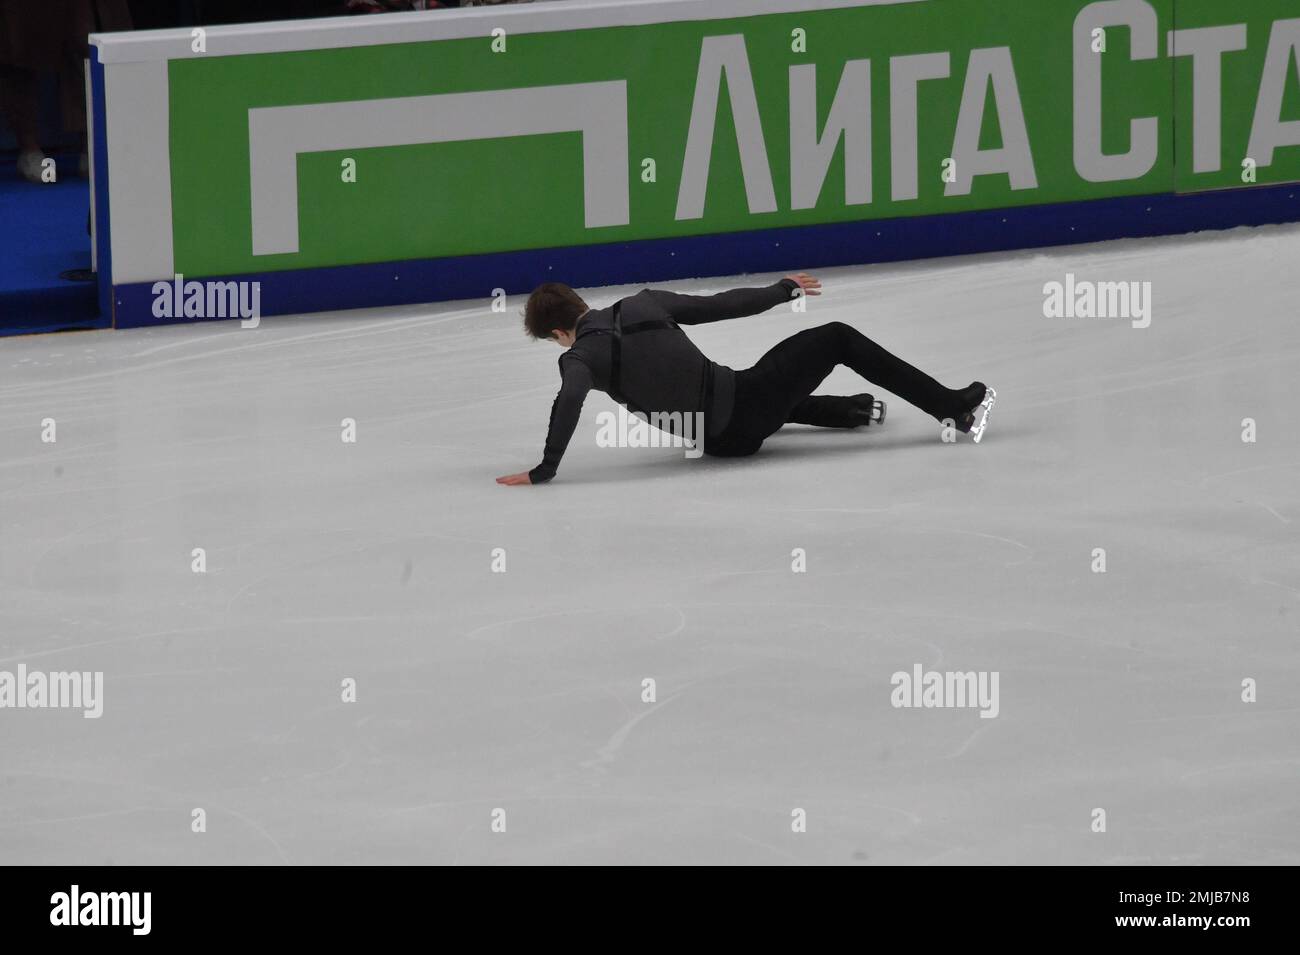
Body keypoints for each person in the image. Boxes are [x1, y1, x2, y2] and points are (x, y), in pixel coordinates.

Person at [496, 274, 995, 486]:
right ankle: (950, 407)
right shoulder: (643, 304)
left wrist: (547, 468)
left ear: (560, 331)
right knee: (837, 337)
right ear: (580, 303)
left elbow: (572, 398)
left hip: (721, 441)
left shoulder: (579, 357)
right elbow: (722, 306)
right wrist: (783, 290)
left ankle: (845, 410)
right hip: (747, 408)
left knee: (762, 386)